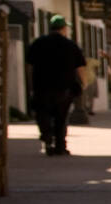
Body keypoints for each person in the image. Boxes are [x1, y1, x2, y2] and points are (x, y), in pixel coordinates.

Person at [25, 15, 88, 156]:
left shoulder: (38, 43)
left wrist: (30, 85)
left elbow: (29, 66)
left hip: (41, 86)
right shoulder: (70, 45)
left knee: (43, 114)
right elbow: (80, 67)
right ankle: (60, 145)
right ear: (64, 28)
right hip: (64, 88)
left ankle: (47, 138)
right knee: (61, 117)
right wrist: (83, 83)